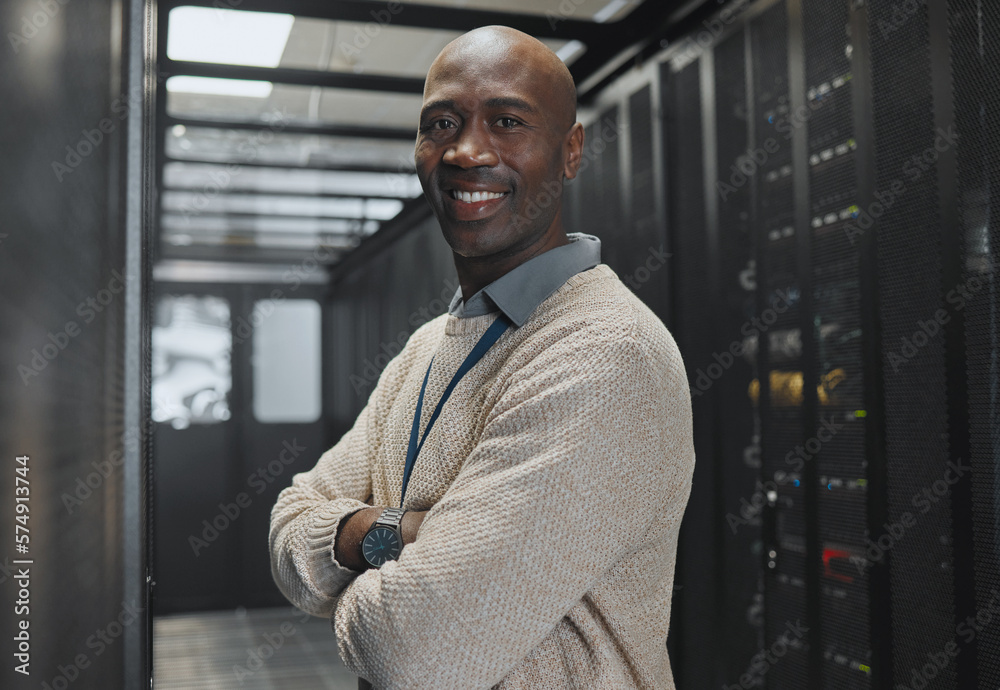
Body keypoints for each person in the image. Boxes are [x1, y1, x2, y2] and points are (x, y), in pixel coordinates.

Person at [269, 25, 695, 689]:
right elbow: (289, 528)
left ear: (571, 150)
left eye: (507, 121)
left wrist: (350, 561)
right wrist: (397, 535)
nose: (466, 151)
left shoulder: (605, 353)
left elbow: (413, 648)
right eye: (442, 123)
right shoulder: (427, 347)